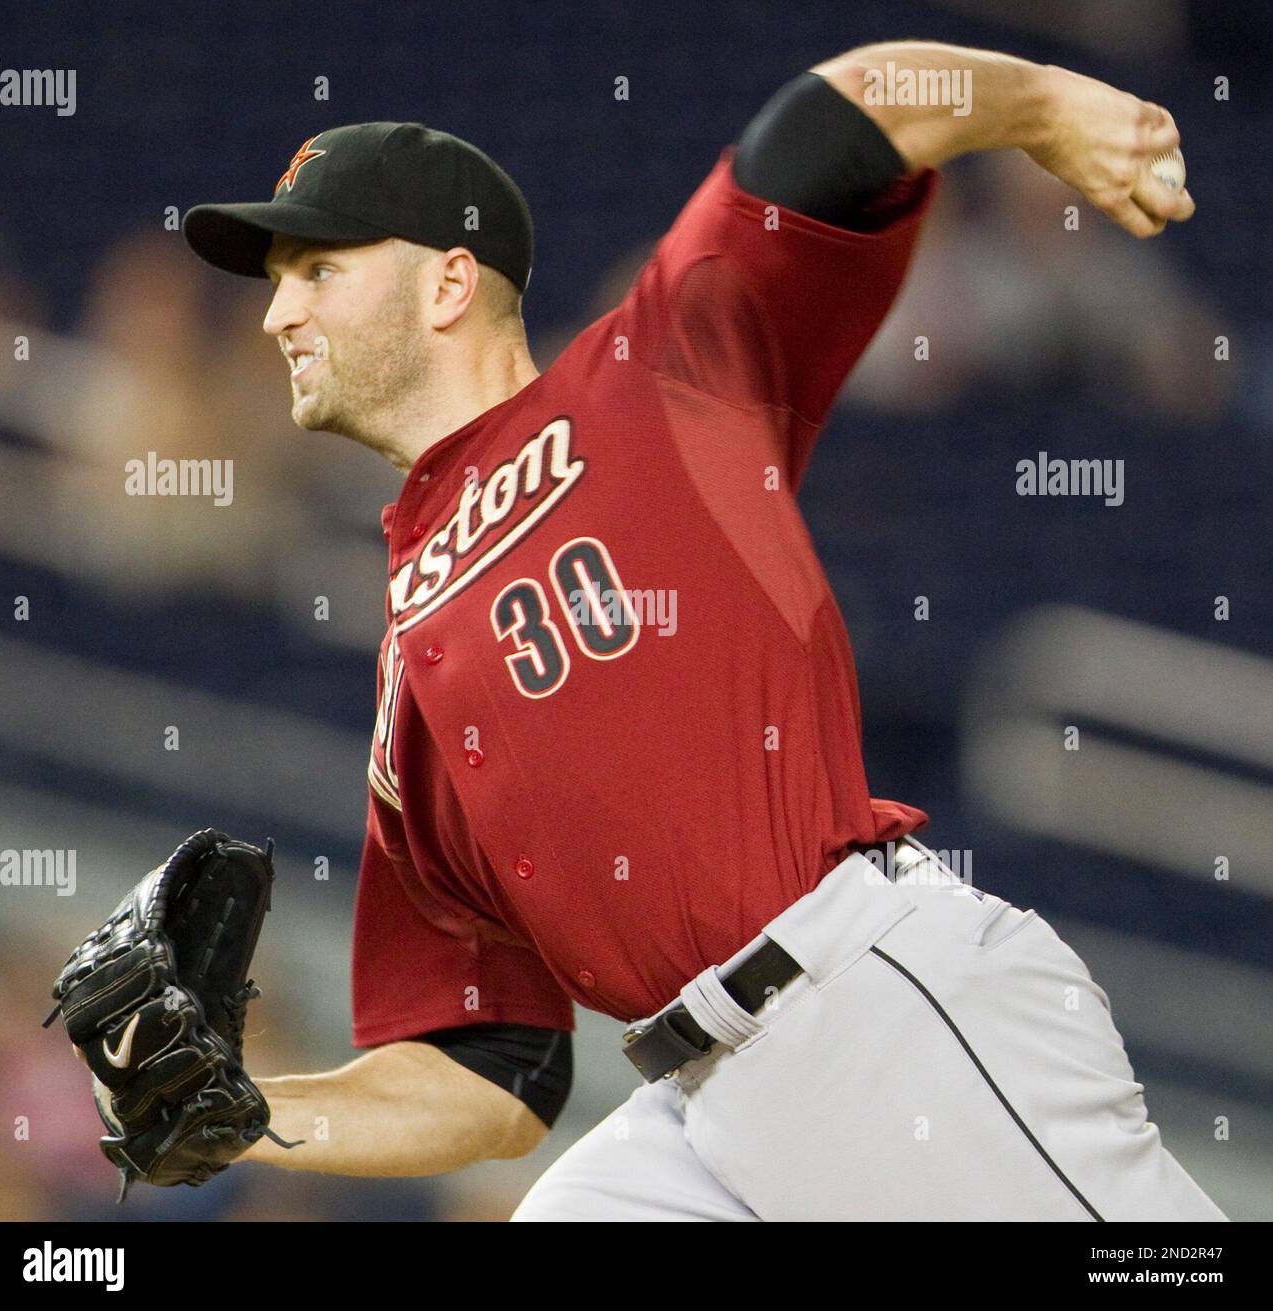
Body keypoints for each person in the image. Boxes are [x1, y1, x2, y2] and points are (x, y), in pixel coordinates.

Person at [182, 39, 1223, 1220]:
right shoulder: (409, 665)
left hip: (868, 1003)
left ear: (449, 284)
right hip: (695, 1103)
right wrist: (248, 1110)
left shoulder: (649, 374)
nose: (275, 316)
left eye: (317, 269)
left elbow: (833, 123)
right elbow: (486, 1070)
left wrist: (1041, 105)